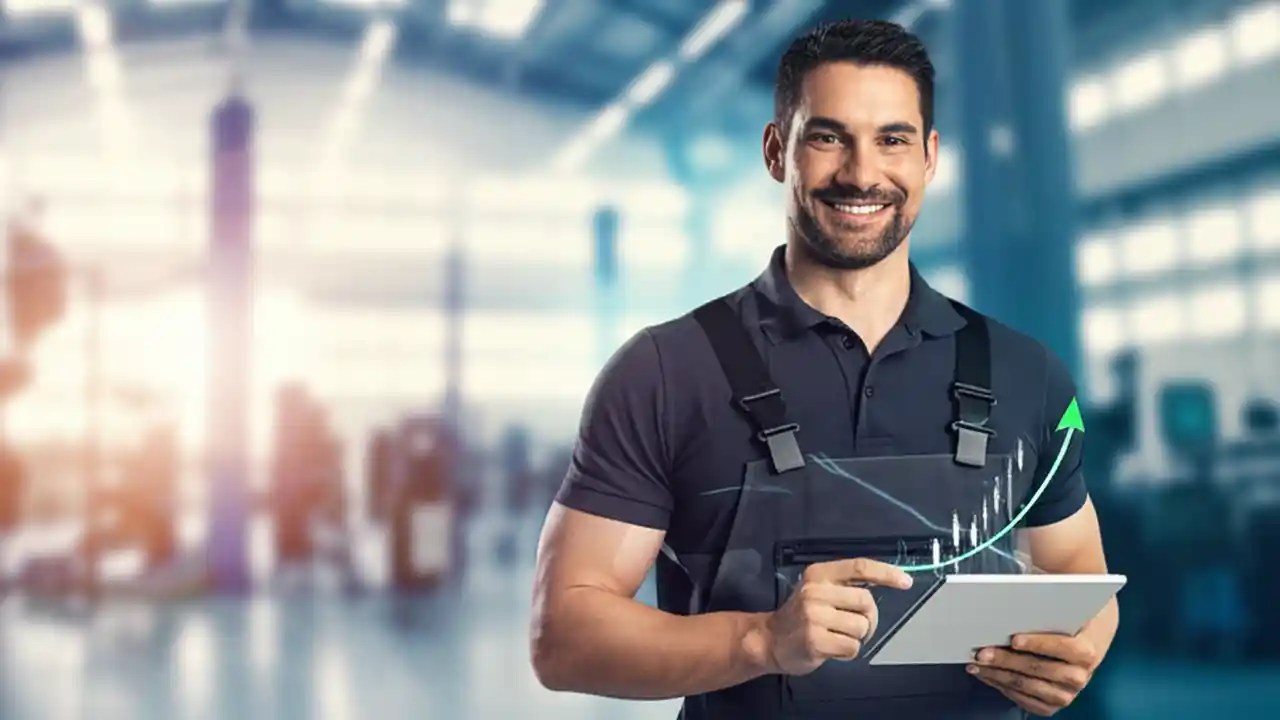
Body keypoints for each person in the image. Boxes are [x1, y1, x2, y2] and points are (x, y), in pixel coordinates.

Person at [530, 19, 1118, 720]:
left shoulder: (1028, 374)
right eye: (828, 136)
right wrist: (760, 640)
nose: (862, 173)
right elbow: (562, 633)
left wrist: (1077, 649)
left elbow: (1079, 572)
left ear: (930, 157)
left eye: (892, 139)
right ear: (778, 151)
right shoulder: (665, 372)